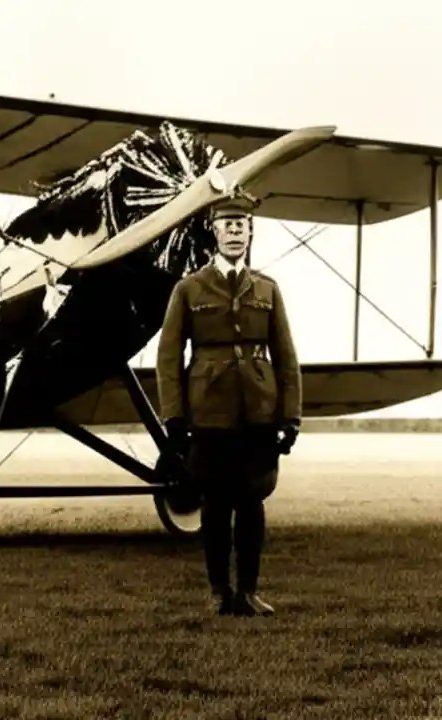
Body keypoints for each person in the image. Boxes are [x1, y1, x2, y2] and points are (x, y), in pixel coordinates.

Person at [155, 195, 302, 617]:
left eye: (242, 225)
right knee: (216, 505)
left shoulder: (268, 290)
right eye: (228, 225)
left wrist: (290, 417)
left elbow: (287, 358)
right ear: (213, 232)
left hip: (259, 411)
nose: (235, 232)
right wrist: (174, 417)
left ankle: (250, 592)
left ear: (251, 232)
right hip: (209, 413)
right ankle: (219, 592)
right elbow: (168, 358)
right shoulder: (188, 289)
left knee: (253, 502)